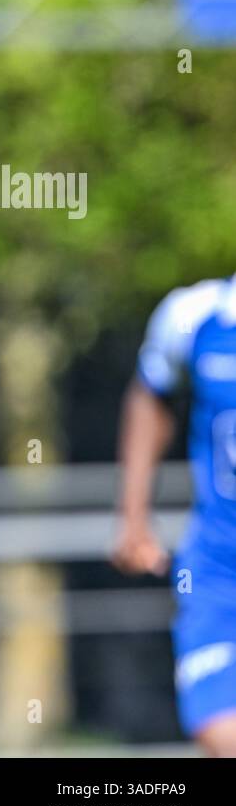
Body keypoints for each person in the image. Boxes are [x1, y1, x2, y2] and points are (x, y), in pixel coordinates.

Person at [114, 276, 236, 756]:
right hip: (219, 564)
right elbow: (150, 395)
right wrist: (133, 515)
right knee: (219, 726)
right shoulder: (195, 315)